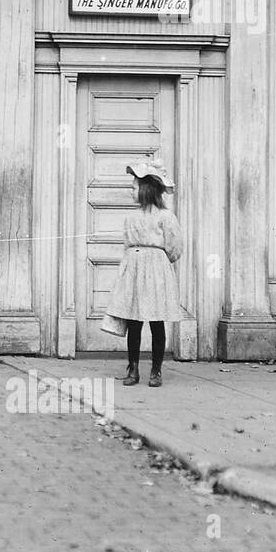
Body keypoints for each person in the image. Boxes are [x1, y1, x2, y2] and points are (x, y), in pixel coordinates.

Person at [103, 161, 183, 388]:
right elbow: (127, 246)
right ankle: (133, 368)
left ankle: (156, 370)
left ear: (146, 189)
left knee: (157, 322)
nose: (132, 191)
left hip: (156, 271)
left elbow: (175, 247)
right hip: (135, 270)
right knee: (134, 323)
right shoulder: (131, 218)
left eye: (134, 187)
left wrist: (157, 260)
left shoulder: (166, 217)